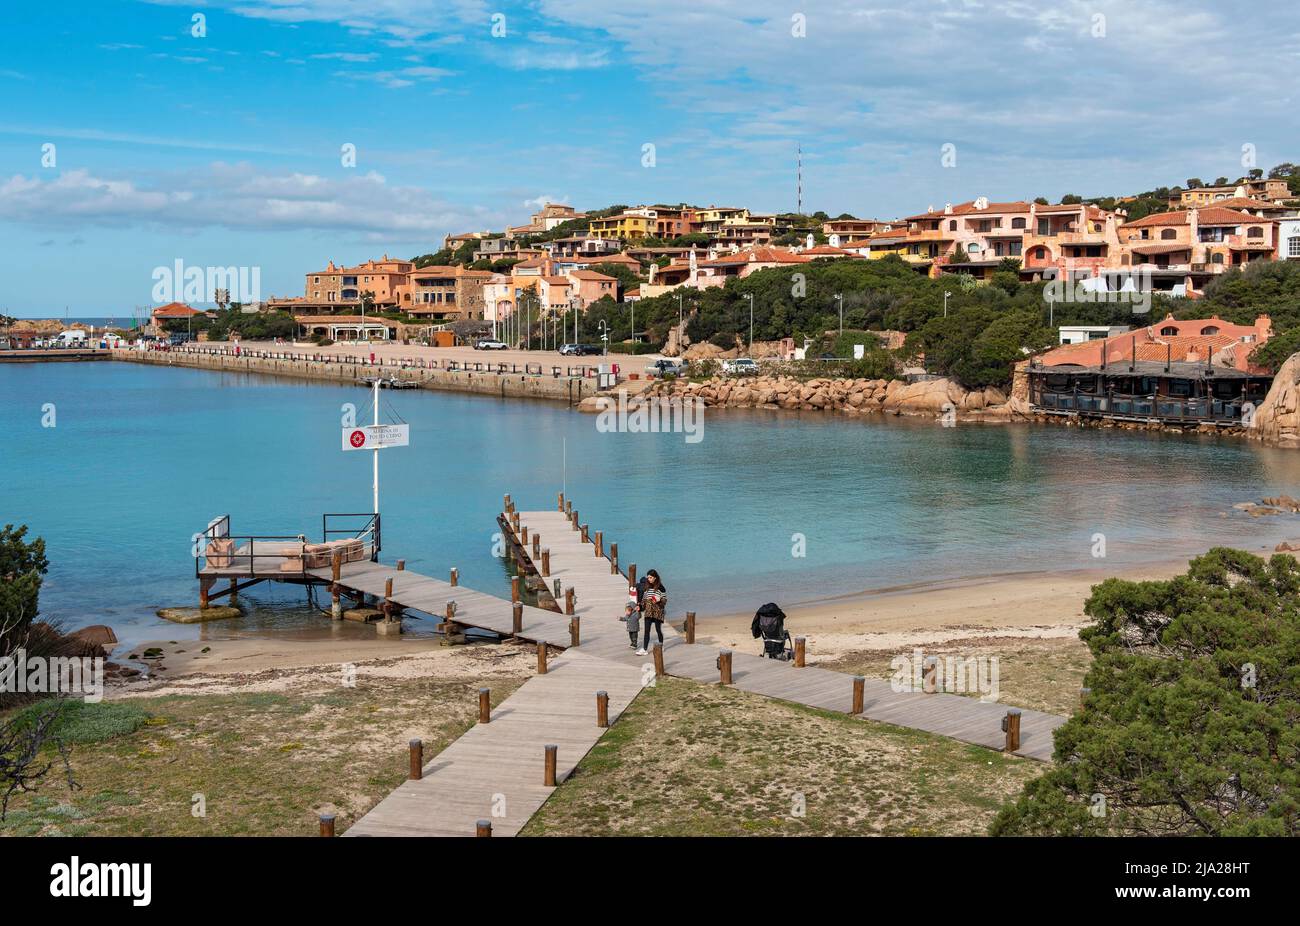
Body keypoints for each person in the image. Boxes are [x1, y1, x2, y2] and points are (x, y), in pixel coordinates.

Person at [635, 569, 667, 655]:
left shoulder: (661, 588)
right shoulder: (647, 587)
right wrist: (640, 607)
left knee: (658, 629)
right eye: (648, 577)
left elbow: (664, 601)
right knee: (646, 631)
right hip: (648, 612)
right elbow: (644, 600)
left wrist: (659, 601)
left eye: (650, 577)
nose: (649, 579)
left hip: (657, 612)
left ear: (655, 578)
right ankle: (644, 649)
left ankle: (661, 644)